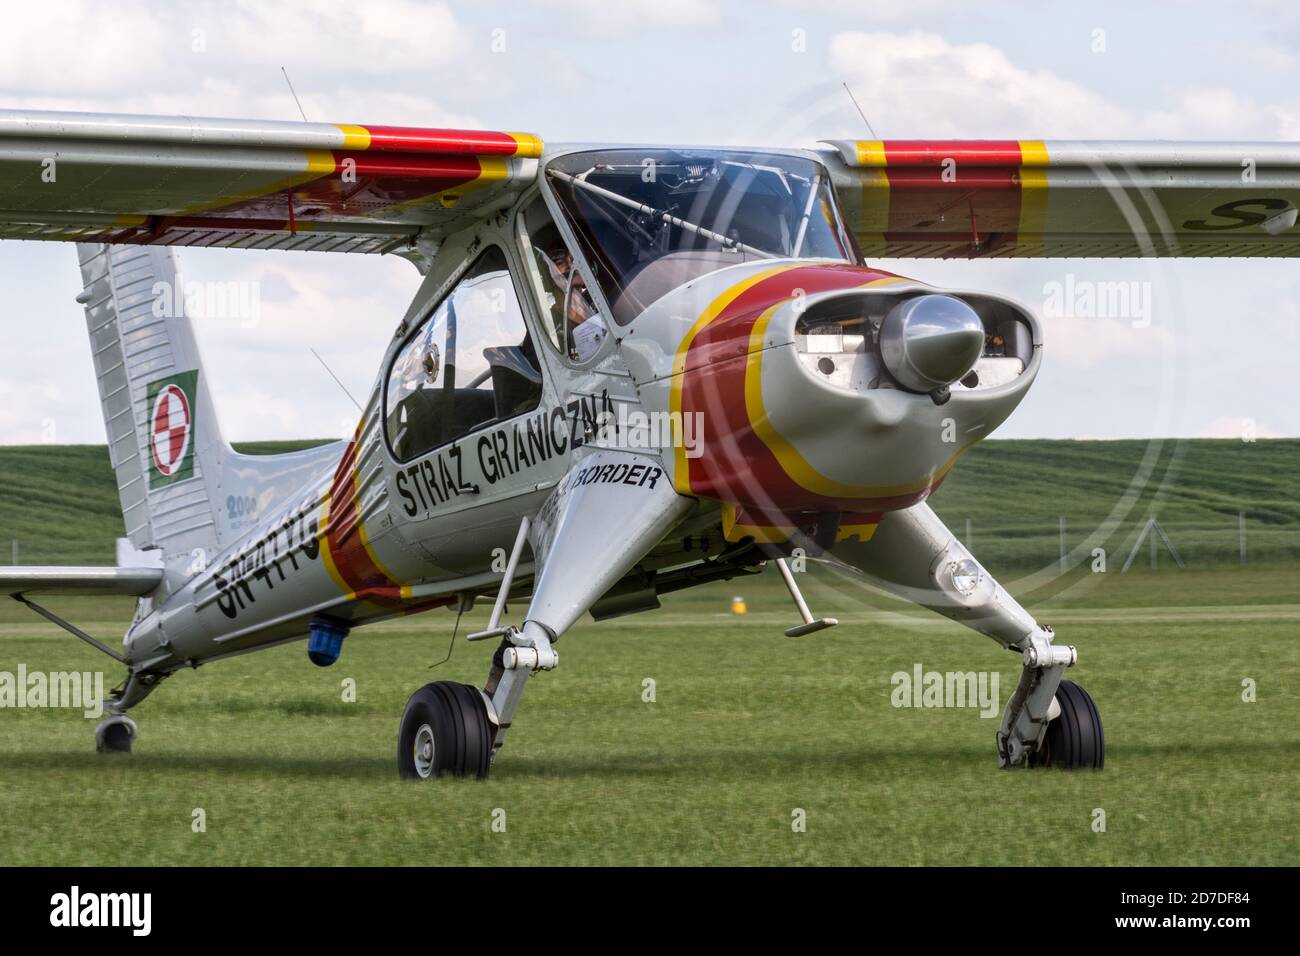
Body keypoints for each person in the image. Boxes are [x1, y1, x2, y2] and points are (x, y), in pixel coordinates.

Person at [541, 245, 607, 362]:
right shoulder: (545, 327)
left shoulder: (605, 305)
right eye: (559, 261)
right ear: (547, 276)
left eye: (574, 258)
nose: (570, 265)